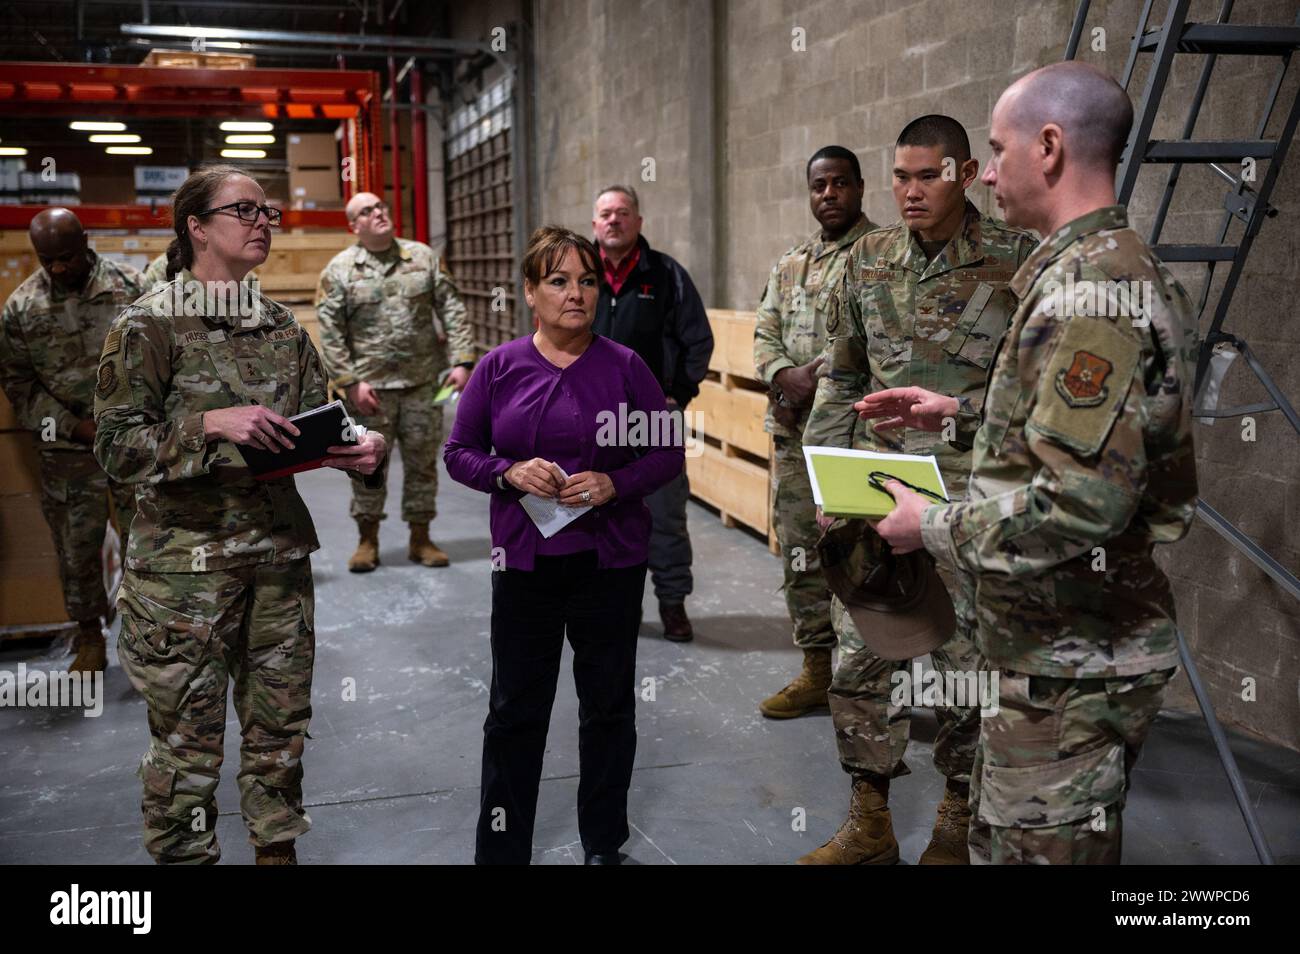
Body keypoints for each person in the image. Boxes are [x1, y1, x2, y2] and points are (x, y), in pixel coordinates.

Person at [869, 63, 1198, 864]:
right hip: (1048, 652)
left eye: (994, 150)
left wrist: (931, 525)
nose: (983, 173)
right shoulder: (1088, 269)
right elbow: (1079, 435)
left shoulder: (1091, 292)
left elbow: (1082, 502)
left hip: (1072, 662)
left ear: (1049, 147)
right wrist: (960, 416)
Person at [94, 165, 387, 865]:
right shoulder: (147, 324)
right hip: (182, 577)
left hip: (277, 562)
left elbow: (317, 424)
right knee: (188, 744)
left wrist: (353, 450)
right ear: (197, 227)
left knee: (280, 727)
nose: (263, 223)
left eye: (269, 213)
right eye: (245, 211)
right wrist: (210, 424)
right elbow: (113, 447)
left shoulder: (280, 325)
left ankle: (276, 851)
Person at [799, 116, 1036, 865]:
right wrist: (823, 473)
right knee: (859, 655)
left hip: (967, 501)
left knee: (967, 665)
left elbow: (1031, 398)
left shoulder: (1013, 260)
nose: (909, 190)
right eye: (899, 176)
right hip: (872, 487)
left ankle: (957, 816)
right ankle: (870, 820)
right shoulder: (867, 259)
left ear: (965, 175)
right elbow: (842, 373)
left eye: (927, 175)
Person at [444, 226, 684, 865]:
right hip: (525, 565)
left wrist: (615, 482)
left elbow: (668, 451)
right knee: (516, 712)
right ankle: (501, 850)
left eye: (584, 280)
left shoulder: (626, 366)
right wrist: (508, 471)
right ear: (529, 292)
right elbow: (458, 453)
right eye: (558, 281)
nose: (575, 294)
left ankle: (604, 842)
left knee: (607, 709)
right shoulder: (499, 368)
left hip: (609, 564)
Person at [753, 146, 876, 719]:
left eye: (840, 184)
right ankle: (816, 670)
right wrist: (781, 374)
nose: (829, 194)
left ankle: (866, 683)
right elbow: (765, 330)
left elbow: (875, 342)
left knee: (861, 558)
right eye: (819, 186)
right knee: (801, 554)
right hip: (792, 437)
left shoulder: (881, 256)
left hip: (855, 439)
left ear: (858, 187)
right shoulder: (790, 263)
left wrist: (814, 375)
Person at [0, 208, 144, 672]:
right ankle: (89, 636)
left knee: (150, 540)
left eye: (67, 257)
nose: (59, 268)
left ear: (87, 240)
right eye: (48, 260)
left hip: (133, 443)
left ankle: (149, 634)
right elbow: (19, 386)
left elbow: (166, 358)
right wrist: (72, 425)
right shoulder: (22, 309)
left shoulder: (132, 287)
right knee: (76, 548)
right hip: (68, 452)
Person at [315, 191, 474, 572]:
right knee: (367, 466)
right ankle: (367, 540)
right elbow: (330, 331)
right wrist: (350, 382)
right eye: (366, 212)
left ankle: (421, 538)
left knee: (422, 464)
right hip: (370, 392)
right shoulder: (339, 270)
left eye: (380, 206)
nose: (378, 213)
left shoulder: (422, 257)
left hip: (422, 384)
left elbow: (452, 307)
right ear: (354, 225)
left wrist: (463, 360)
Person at [591, 185, 713, 641]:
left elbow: (697, 339)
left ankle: (672, 603)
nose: (614, 221)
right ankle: (608, 605)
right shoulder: (579, 273)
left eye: (623, 213)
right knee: (596, 512)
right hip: (592, 423)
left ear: (639, 222)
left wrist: (678, 393)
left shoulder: (665, 274)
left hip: (653, 420)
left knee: (664, 516)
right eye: (606, 213)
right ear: (595, 224)